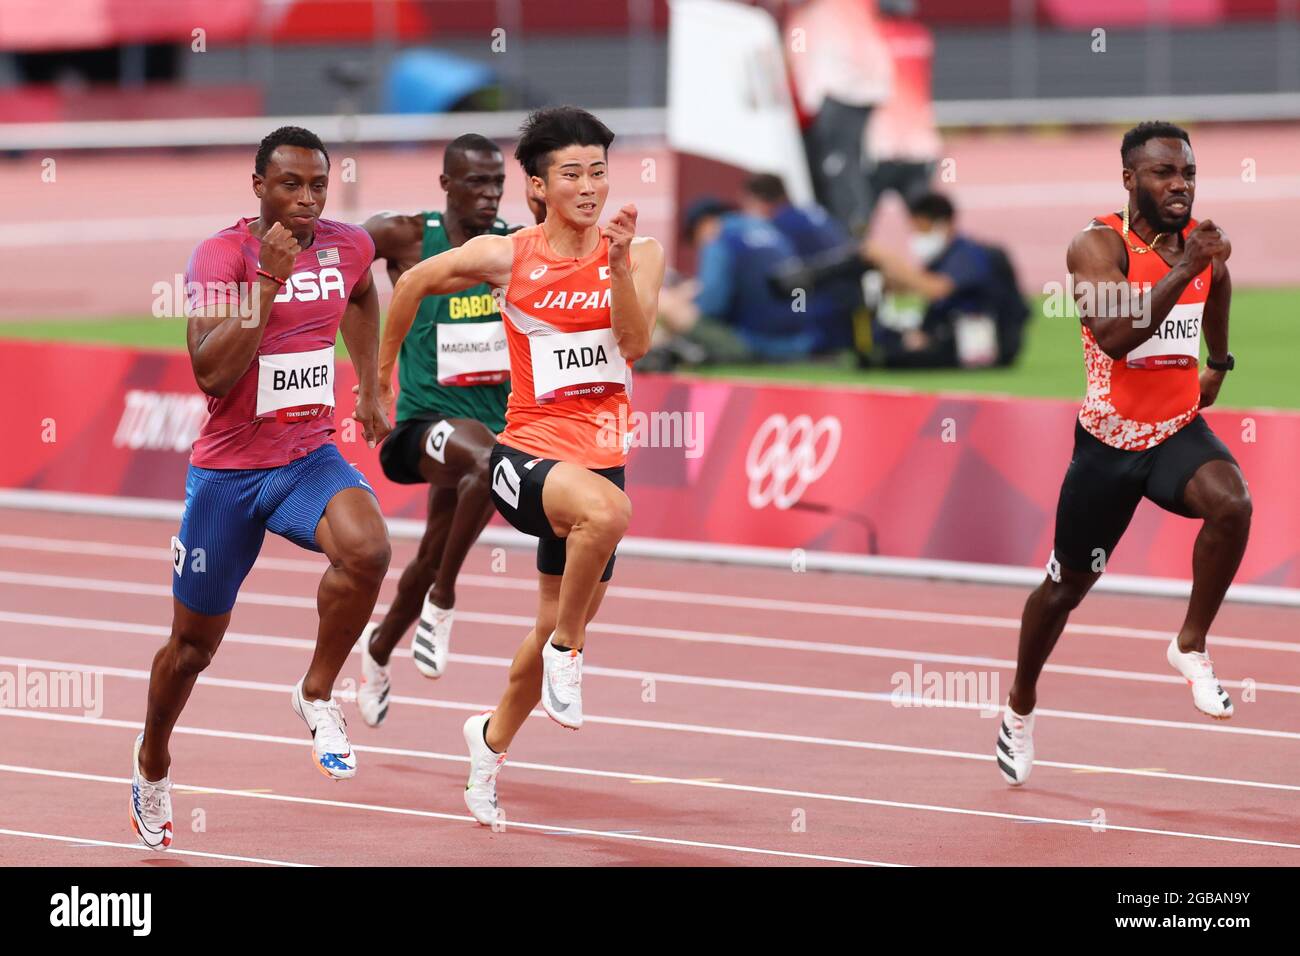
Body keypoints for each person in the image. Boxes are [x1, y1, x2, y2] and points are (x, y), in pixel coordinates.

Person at [377, 106, 664, 825]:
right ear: (536, 186)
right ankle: (570, 649)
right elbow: (410, 285)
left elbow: (633, 344)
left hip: (603, 458)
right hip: (527, 458)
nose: (590, 187)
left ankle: (489, 743)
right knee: (609, 519)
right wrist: (375, 382)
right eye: (572, 174)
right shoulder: (510, 256)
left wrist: (621, 265)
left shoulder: (641, 251)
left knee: (543, 629)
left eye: (599, 171)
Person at [131, 126, 392, 851]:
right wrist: (269, 280)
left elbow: (366, 290)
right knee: (191, 650)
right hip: (227, 475)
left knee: (368, 550)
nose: (306, 200)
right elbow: (211, 373)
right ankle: (153, 758)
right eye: (290, 185)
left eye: (317, 184)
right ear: (258, 187)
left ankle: (316, 693)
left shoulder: (347, 245)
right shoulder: (222, 255)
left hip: (306, 456)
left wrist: (370, 384)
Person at [997, 121, 1246, 786]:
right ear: (1130, 179)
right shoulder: (1097, 244)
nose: (1180, 186)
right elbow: (1113, 334)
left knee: (1232, 503)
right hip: (1108, 446)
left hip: (1174, 432)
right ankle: (1020, 706)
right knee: (1065, 588)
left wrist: (1217, 363)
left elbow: (1218, 286)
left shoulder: (1201, 245)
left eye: (1188, 174)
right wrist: (1188, 267)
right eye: (1164, 174)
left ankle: (1189, 645)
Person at [355, 134, 533, 728]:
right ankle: (446, 600)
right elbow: (340, 253)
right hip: (422, 427)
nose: (487, 195)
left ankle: (378, 650)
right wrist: (369, 378)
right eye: (475, 182)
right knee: (485, 465)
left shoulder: (512, 246)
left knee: (431, 552)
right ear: (446, 184)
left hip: (491, 425)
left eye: (496, 184)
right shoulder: (408, 235)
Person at [863, 192, 1027, 368]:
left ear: (942, 225)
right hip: (954, 333)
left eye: (921, 229)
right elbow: (915, 285)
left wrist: (890, 261)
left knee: (893, 357)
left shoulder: (970, 255)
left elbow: (936, 288)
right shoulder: (942, 257)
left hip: (984, 342)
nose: (916, 237)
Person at [741, 173, 858, 353]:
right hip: (850, 306)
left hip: (823, 316)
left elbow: (797, 280)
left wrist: (798, 316)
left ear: (757, 200)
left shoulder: (781, 224)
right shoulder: (812, 213)